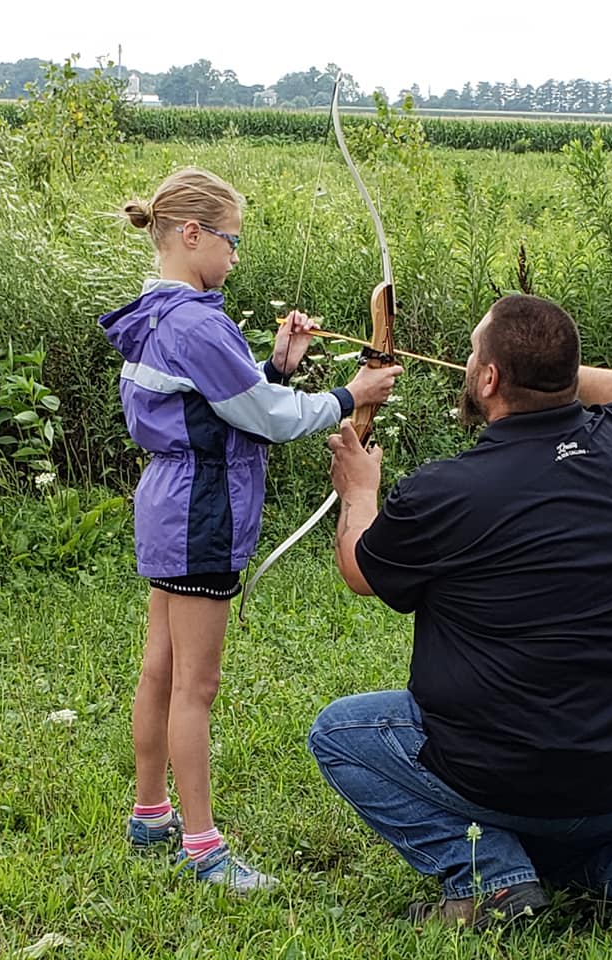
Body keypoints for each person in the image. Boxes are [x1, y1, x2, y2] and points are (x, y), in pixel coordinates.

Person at [309, 294, 612, 950]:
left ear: (488, 380)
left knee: (338, 733)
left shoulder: (442, 491)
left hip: (506, 778)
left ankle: (490, 880)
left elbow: (359, 571)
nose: (465, 364)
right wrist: (560, 374)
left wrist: (360, 493)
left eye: (473, 355)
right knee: (568, 841)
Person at [99, 167, 402, 893]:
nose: (236, 256)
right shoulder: (199, 321)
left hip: (172, 502)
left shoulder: (159, 312)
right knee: (194, 685)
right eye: (230, 241)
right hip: (202, 509)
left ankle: (150, 816)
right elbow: (263, 417)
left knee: (161, 669)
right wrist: (348, 396)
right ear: (193, 234)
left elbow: (217, 403)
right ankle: (202, 849)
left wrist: (277, 363)